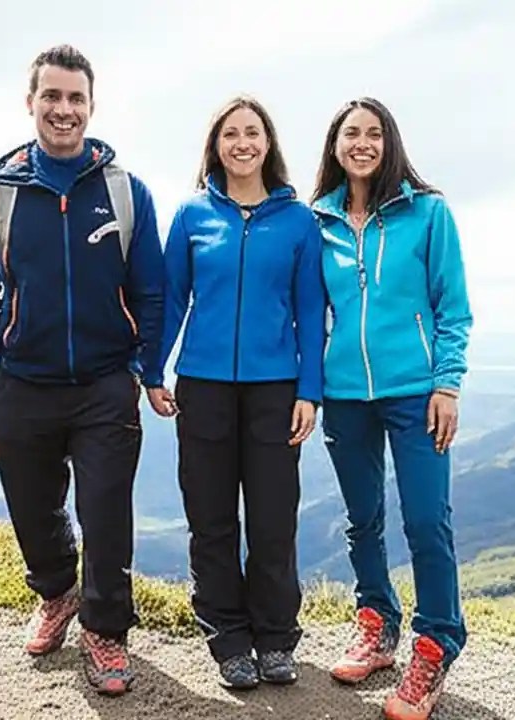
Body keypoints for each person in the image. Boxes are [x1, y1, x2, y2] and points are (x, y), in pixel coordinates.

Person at [0, 43, 166, 697]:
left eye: (76, 98)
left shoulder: (127, 194)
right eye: (52, 96)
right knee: (33, 509)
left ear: (92, 107)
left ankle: (105, 633)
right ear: (31, 104)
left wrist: (140, 367)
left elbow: (151, 291)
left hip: (106, 383)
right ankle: (55, 593)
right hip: (22, 383)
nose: (64, 109)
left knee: (106, 515)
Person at [151, 94, 325, 690]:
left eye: (253, 132)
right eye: (232, 134)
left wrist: (310, 390)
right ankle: (228, 639)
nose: (243, 143)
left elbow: (309, 309)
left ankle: (276, 639)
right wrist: (152, 370)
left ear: (269, 143)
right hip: (203, 389)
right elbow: (172, 298)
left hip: (276, 391)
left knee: (274, 521)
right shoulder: (192, 215)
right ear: (216, 145)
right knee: (212, 519)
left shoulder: (299, 221)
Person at [310, 97, 473, 720]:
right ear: (335, 145)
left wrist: (447, 384)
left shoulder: (428, 213)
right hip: (344, 395)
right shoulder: (316, 221)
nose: (362, 143)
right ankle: (377, 624)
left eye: (373, 134)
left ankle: (434, 645)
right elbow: (309, 312)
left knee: (428, 521)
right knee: (362, 519)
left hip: (415, 392)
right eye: (351, 133)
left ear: (389, 143)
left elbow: (452, 307)